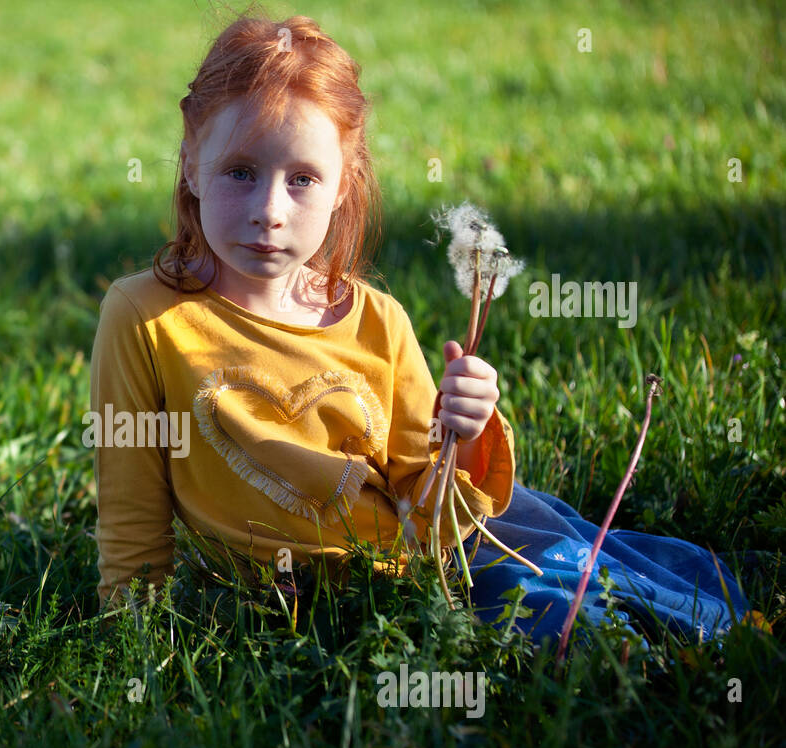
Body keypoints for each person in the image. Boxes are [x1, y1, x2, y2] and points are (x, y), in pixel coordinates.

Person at [89, 12, 753, 649]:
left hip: (430, 561)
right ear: (188, 160)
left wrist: (465, 436)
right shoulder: (146, 317)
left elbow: (430, 507)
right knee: (571, 623)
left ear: (344, 186)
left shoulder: (379, 322)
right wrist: (133, 635)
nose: (268, 210)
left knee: (596, 592)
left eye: (302, 180)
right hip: (327, 606)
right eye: (240, 172)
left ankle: (711, 609)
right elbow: (131, 510)